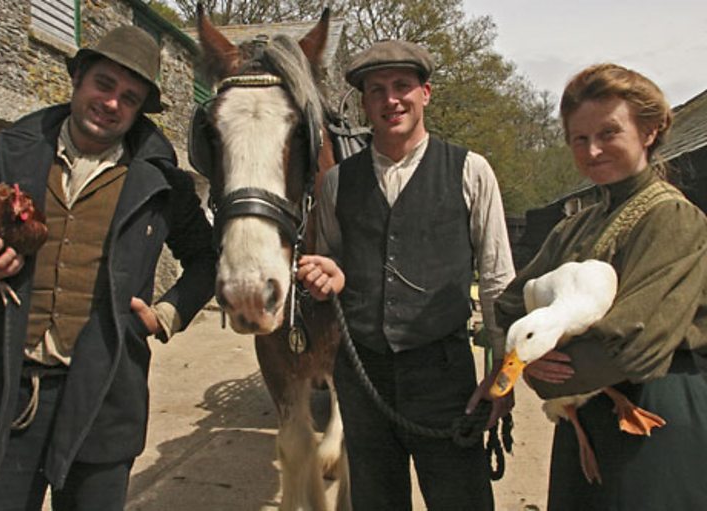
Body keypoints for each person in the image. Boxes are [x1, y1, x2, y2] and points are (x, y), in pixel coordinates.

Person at [0, 26, 216, 510]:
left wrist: (165, 314)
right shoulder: (16, 149)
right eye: (103, 85)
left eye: (129, 98)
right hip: (6, 393)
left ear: (139, 110)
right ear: (78, 79)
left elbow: (208, 259)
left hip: (103, 397)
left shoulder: (162, 178)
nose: (111, 103)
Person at [297, 40, 516, 510]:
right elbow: (332, 262)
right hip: (363, 377)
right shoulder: (337, 182)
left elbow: (499, 282)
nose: (390, 99)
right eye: (376, 90)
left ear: (426, 94)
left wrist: (503, 376)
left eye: (402, 86)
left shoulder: (471, 171)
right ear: (363, 103)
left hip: (444, 376)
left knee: (462, 501)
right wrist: (327, 276)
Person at [495, 63, 707, 510]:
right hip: (585, 422)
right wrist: (526, 360)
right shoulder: (575, 227)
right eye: (579, 139)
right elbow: (510, 304)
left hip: (657, 414)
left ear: (648, 131)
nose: (592, 150)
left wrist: (545, 373)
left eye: (608, 133)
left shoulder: (672, 218)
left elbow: (639, 344)